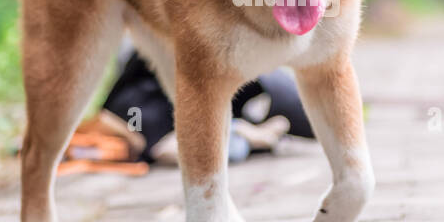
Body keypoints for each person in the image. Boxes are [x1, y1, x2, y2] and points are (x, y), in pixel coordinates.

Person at [102, 52, 315, 164]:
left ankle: (248, 132)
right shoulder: (139, 108)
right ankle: (248, 133)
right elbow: (165, 150)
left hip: (147, 113)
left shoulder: (138, 101)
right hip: (144, 122)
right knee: (228, 148)